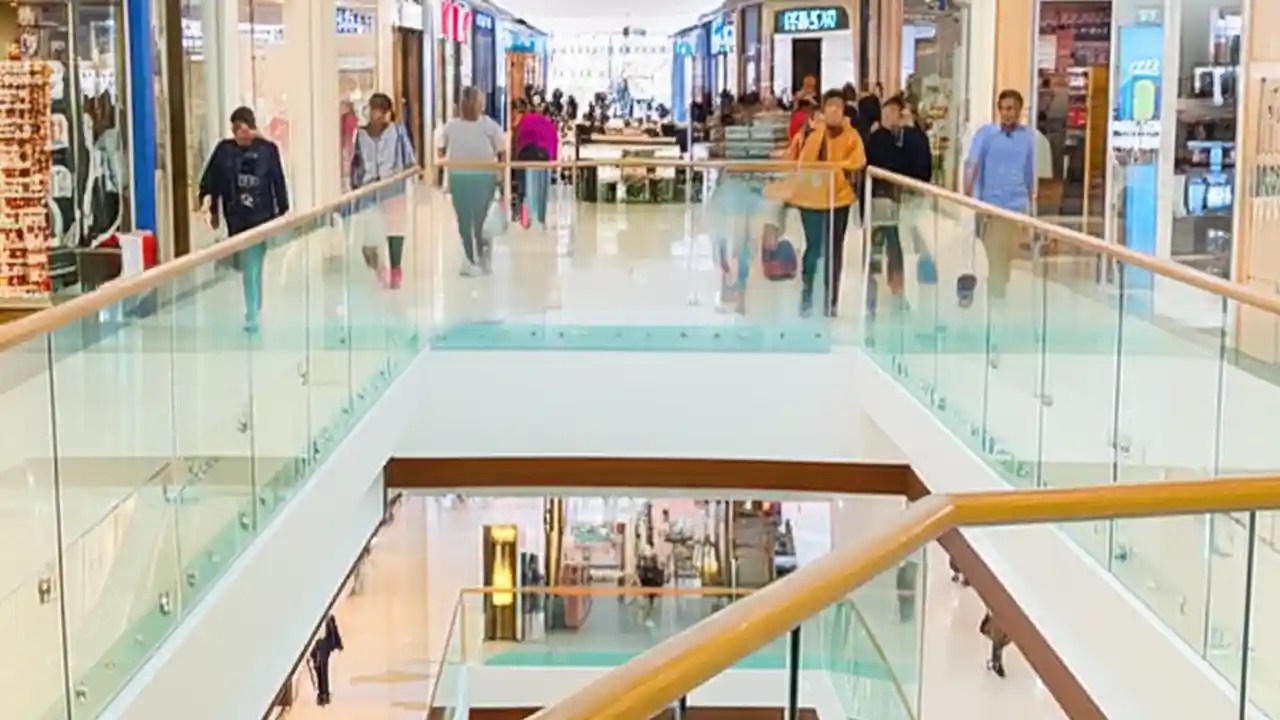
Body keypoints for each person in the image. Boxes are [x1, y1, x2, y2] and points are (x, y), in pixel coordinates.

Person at [198, 106, 289, 334]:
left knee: (254, 263)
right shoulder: (224, 151)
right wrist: (211, 206)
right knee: (250, 265)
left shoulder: (267, 150)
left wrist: (283, 213)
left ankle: (254, 309)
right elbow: (211, 180)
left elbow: (278, 181)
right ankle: (253, 309)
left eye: (244, 127)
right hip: (237, 218)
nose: (241, 133)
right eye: (236, 128)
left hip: (262, 217)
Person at [962, 89, 1036, 347]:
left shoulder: (1028, 138)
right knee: (996, 259)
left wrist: (1030, 203)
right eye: (1004, 108)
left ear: (1020, 110)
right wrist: (967, 195)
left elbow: (1029, 170)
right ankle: (996, 314)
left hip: (1015, 207)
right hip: (991, 208)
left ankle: (997, 304)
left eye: (1013, 108)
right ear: (998, 109)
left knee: (1003, 260)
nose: (1008, 113)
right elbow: (971, 164)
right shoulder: (986, 134)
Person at [789, 88, 867, 317]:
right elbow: (802, 160)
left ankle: (830, 300)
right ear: (823, 110)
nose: (834, 110)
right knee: (814, 247)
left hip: (838, 200)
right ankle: (807, 293)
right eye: (830, 105)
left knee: (835, 250)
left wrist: (838, 169)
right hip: (811, 200)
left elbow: (858, 161)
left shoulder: (852, 136)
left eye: (838, 106)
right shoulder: (812, 134)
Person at [866, 95, 934, 304]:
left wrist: (909, 131)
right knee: (882, 243)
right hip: (882, 200)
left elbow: (921, 168)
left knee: (899, 243)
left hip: (910, 201)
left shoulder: (913, 138)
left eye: (893, 113)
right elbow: (880, 162)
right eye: (885, 114)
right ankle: (877, 291)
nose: (889, 118)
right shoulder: (879, 138)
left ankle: (899, 289)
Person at [351, 92, 417, 289]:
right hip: (368, 189)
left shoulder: (397, 133)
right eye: (373, 111)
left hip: (393, 188)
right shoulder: (360, 135)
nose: (376, 116)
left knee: (394, 230)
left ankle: (395, 269)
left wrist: (402, 176)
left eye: (381, 112)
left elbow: (410, 160)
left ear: (388, 113)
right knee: (368, 240)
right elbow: (356, 164)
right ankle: (378, 267)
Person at [439, 86, 505, 276]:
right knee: (464, 219)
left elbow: (501, 151)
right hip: (460, 177)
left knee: (480, 220)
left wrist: (501, 176)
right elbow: (441, 148)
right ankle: (469, 256)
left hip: (483, 178)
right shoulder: (451, 126)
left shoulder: (489, 125)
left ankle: (482, 256)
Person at [515, 101, 558, 229]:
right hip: (546, 155)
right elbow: (555, 141)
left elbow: (519, 142)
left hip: (529, 153)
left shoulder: (525, 121)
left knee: (525, 187)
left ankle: (525, 219)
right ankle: (541, 218)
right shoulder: (547, 123)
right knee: (542, 188)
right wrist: (554, 162)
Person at [308, 614, 344, 705]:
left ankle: (324, 693)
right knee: (319, 669)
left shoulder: (328, 615)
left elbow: (334, 627)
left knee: (323, 668)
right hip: (317, 645)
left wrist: (339, 644)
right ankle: (323, 693)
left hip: (324, 644)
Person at [979, 611, 1011, 678]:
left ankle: (996, 662)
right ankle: (996, 663)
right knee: (999, 638)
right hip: (997, 619)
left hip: (1001, 618)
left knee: (1001, 639)